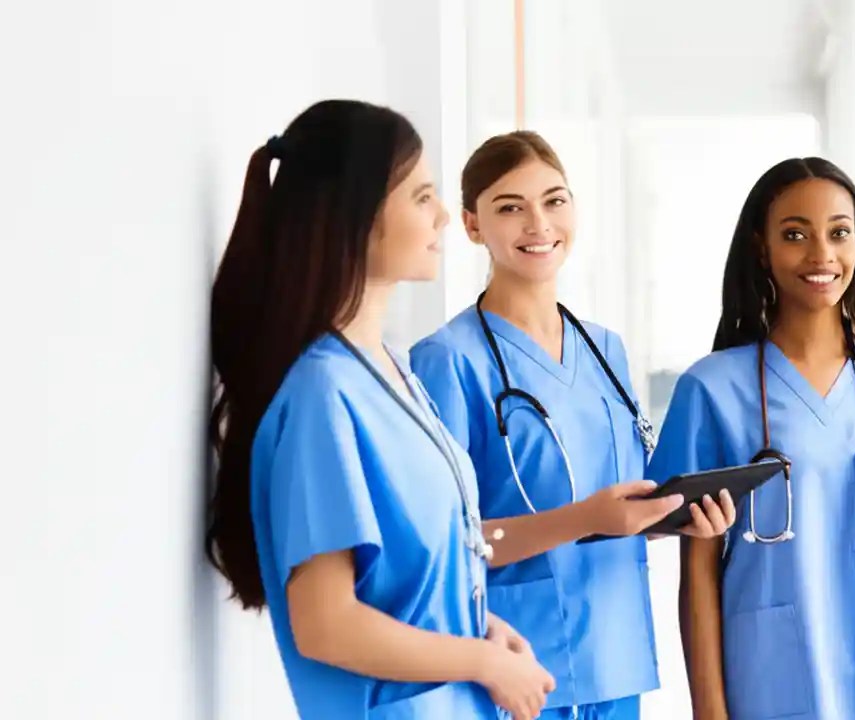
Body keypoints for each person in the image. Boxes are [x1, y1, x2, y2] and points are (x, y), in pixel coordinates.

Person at [205, 100, 554, 720]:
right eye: (422, 196)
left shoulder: (393, 374)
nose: (445, 215)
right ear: (358, 214)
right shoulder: (322, 397)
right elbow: (327, 625)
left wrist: (482, 629)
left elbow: (411, 580)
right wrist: (483, 663)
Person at [410, 131, 736, 720]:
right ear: (471, 225)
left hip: (617, 657)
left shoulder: (604, 349)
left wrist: (677, 518)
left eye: (554, 201)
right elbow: (443, 547)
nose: (538, 223)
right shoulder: (448, 360)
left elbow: (623, 510)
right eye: (510, 207)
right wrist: (586, 518)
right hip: (517, 669)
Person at [649, 157, 855, 719]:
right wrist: (708, 712)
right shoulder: (712, 389)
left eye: (838, 233)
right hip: (769, 676)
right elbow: (697, 572)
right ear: (761, 247)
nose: (821, 254)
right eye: (795, 234)